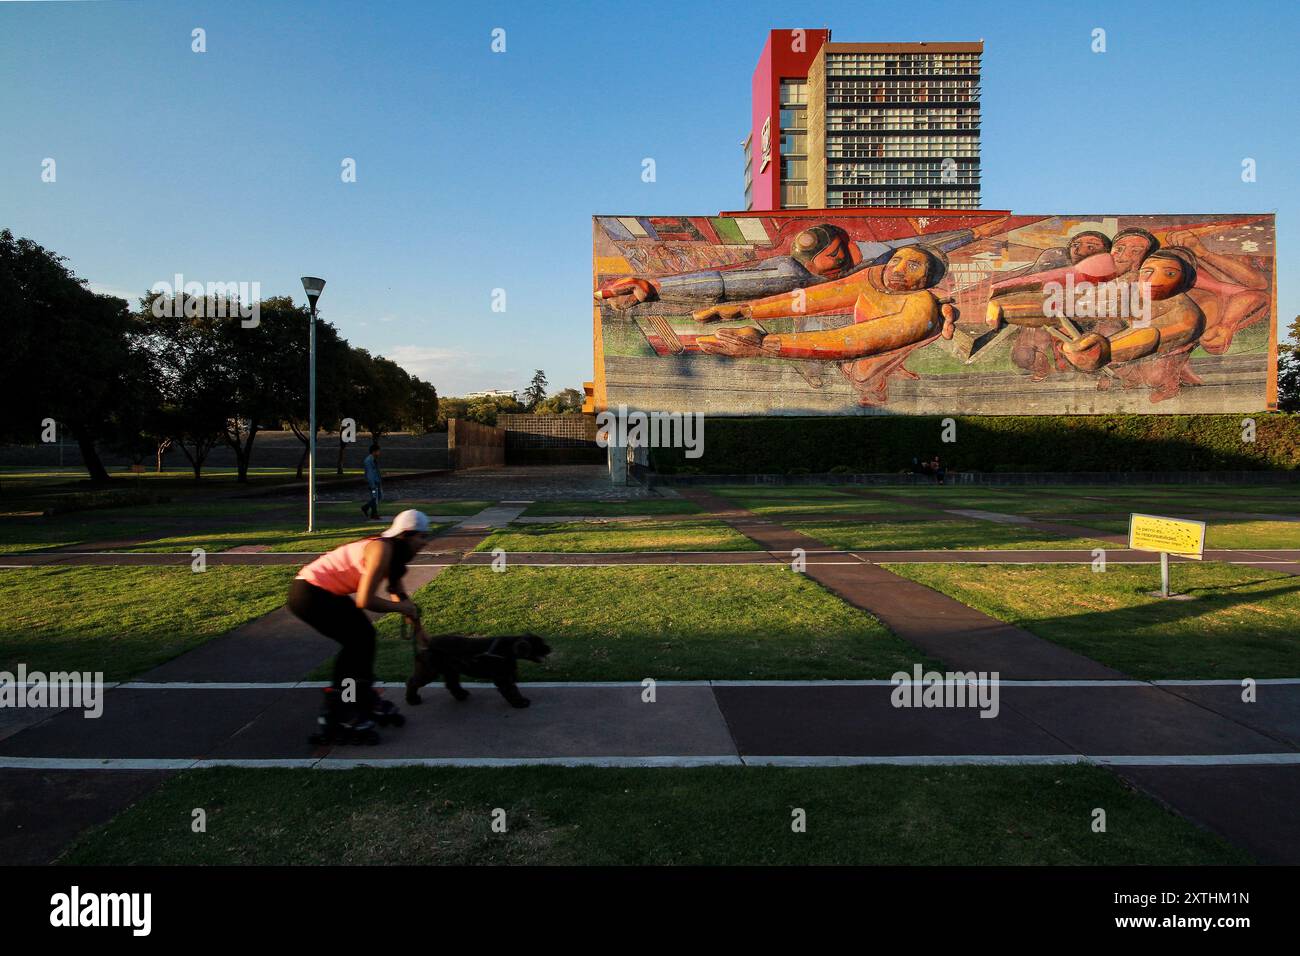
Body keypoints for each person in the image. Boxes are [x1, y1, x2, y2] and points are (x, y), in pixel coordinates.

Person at [288, 509, 432, 742]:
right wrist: (402, 609)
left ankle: (361, 698)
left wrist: (419, 631)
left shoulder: (393, 554)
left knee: (364, 638)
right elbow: (366, 600)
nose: (425, 543)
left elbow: (400, 596)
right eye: (422, 537)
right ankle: (340, 712)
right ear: (406, 534)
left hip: (324, 592)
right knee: (356, 642)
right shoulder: (381, 549)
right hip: (309, 592)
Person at [361, 443, 383, 519]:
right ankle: (372, 512)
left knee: (379, 497)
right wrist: (372, 485)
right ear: (374, 451)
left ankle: (369, 510)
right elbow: (370, 473)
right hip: (373, 483)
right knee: (374, 498)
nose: (379, 453)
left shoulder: (373, 459)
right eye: (378, 451)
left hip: (377, 482)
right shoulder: (368, 460)